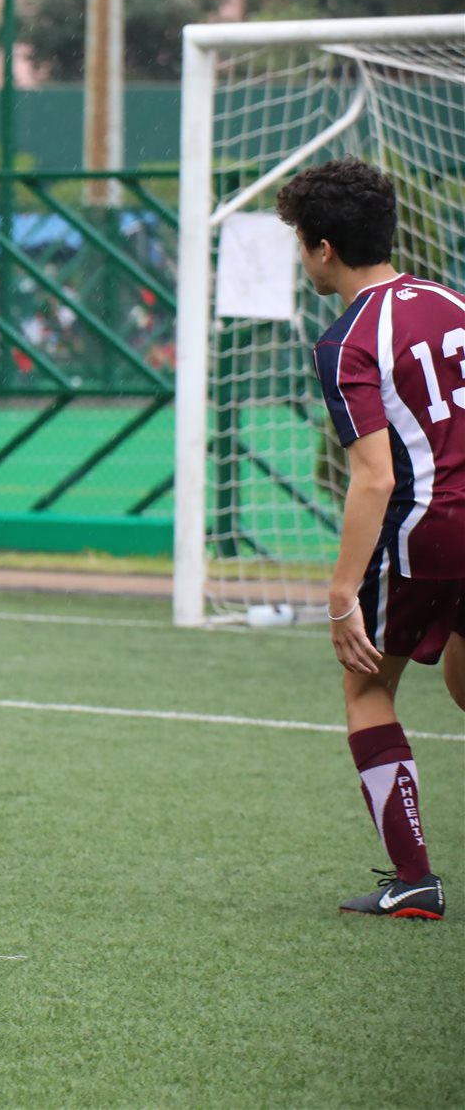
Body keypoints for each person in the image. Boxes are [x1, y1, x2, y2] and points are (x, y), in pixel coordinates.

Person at [281, 158, 463, 920]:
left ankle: (414, 878)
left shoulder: (348, 338)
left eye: (300, 242)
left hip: (430, 527)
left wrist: (340, 592)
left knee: (365, 686)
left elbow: (375, 478)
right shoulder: (454, 302)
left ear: (323, 248)